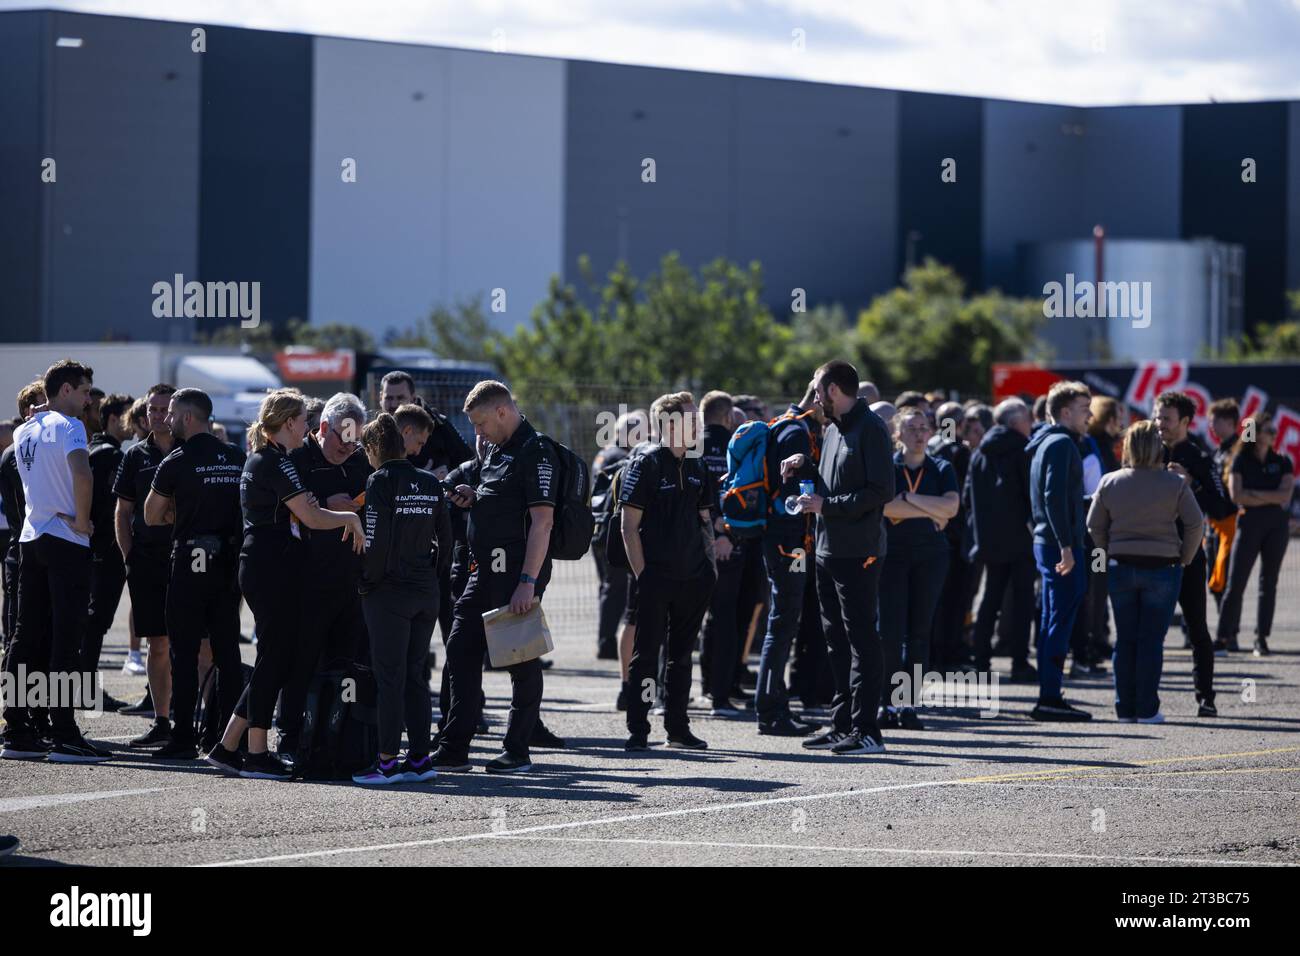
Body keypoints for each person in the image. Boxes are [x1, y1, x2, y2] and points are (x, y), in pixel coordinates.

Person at [203, 389, 363, 778]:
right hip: (268, 564)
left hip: (265, 562)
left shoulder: (268, 458)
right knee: (274, 657)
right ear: (289, 423)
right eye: (304, 423)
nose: (307, 429)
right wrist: (349, 519)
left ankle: (230, 746)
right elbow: (309, 516)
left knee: (273, 657)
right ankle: (254, 753)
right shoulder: (275, 462)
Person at [433, 381, 558, 774]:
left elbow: (543, 522)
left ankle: (517, 749)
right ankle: (454, 748)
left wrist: (527, 582)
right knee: (459, 650)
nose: (478, 432)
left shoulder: (536, 451)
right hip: (482, 571)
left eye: (481, 422)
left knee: (520, 660)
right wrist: (475, 495)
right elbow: (500, 502)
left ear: (502, 411)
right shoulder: (497, 451)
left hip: (515, 575)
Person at [784, 360, 894, 755]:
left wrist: (826, 505)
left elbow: (880, 491)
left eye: (816, 390)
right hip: (827, 549)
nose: (812, 399)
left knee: (862, 639)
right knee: (836, 641)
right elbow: (837, 479)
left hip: (859, 551)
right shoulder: (833, 429)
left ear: (833, 390)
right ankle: (842, 723)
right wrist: (805, 464)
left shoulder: (872, 429)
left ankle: (868, 730)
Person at [1, 360, 107, 762]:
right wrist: (83, 521)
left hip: (31, 538)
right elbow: (83, 475)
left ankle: (17, 728)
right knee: (66, 634)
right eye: (83, 392)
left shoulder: (25, 428)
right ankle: (63, 732)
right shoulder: (71, 427)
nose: (88, 399)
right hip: (65, 538)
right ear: (65, 390)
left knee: (24, 634)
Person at [143, 388, 248, 761]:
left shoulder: (176, 460)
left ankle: (184, 736)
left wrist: (180, 513)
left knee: (183, 653)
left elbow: (150, 515)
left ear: (188, 418)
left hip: (190, 562)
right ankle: (225, 737)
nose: (167, 420)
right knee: (227, 653)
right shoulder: (237, 457)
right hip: (226, 564)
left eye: (172, 413)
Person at [352, 413, 451, 785]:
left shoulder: (380, 481)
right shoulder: (428, 481)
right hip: (426, 592)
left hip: (389, 593)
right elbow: (447, 540)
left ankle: (387, 762)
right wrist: (432, 578)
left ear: (375, 448)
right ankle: (421, 759)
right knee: (414, 677)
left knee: (389, 677)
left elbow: (374, 540)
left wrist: (366, 582)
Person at [1087, 420, 1203, 723]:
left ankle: (1124, 707)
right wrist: (1185, 557)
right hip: (1163, 566)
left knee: (1125, 639)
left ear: (1127, 446)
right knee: (1151, 640)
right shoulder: (1174, 484)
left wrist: (1106, 550)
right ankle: (1147, 708)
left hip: (1121, 565)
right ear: (1157, 448)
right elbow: (1195, 524)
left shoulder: (1111, 481)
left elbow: (1093, 525)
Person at [619, 391, 716, 751]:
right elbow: (628, 527)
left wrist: (709, 570)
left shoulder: (697, 464)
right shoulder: (645, 463)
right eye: (692, 419)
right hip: (655, 577)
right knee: (646, 655)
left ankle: (678, 728)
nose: (699, 425)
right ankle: (638, 728)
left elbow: (706, 519)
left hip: (693, 577)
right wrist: (645, 576)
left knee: (681, 656)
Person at [279, 392, 371, 757]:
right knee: (300, 665)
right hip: (306, 583)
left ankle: (341, 739)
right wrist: (325, 502)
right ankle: (290, 737)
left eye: (354, 444)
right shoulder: (296, 459)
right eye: (340, 441)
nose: (346, 450)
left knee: (346, 665)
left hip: (350, 584)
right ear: (322, 428)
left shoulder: (362, 462)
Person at [1155, 390, 1235, 715]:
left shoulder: (1200, 458)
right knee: (1151, 630)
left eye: (1166, 419)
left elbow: (1223, 506)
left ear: (1185, 422)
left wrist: (1192, 484)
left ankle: (1206, 697)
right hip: (1152, 554)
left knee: (1198, 628)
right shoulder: (1145, 452)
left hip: (1188, 554)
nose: (1160, 424)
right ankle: (1144, 699)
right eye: (1157, 416)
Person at [880, 407, 958, 728]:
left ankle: (909, 703)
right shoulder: (888, 466)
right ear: (897, 434)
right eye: (911, 428)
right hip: (893, 556)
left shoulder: (941, 467)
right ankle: (886, 703)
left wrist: (909, 499)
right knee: (890, 632)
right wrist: (931, 510)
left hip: (931, 556)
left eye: (924, 428)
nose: (919, 434)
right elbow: (885, 506)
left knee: (919, 633)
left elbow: (951, 507)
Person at [754, 385, 824, 736]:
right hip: (789, 543)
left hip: (787, 540)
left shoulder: (788, 424)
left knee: (783, 621)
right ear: (818, 398)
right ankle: (770, 711)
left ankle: (774, 706)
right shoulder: (796, 432)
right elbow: (793, 497)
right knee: (783, 622)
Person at [1025, 380, 1093, 721]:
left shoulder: (1043, 442)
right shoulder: (1062, 444)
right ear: (1064, 412)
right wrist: (1067, 546)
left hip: (1047, 541)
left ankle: (1049, 694)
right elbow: (1052, 497)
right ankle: (1050, 697)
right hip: (1059, 544)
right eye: (1084, 409)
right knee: (1059, 620)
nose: (1090, 415)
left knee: (1054, 619)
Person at [113, 384, 177, 746]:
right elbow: (122, 511)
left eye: (163, 408)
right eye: (151, 409)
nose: (156, 415)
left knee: (197, 646)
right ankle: (162, 720)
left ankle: (194, 719)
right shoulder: (135, 455)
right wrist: (129, 556)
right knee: (157, 644)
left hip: (187, 561)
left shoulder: (190, 451)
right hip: (147, 562)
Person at [966, 398, 1037, 681]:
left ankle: (980, 659)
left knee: (989, 600)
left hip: (987, 537)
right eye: (1027, 418)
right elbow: (1030, 495)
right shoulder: (1023, 449)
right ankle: (1019, 661)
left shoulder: (979, 452)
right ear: (1015, 421)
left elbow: (966, 497)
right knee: (1022, 601)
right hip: (1019, 537)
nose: (1030, 423)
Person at [1217, 411, 1294, 657]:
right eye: (1268, 430)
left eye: (1274, 431)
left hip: (1276, 526)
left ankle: (1261, 638)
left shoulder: (1282, 461)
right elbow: (1236, 496)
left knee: (1268, 582)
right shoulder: (1240, 459)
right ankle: (1223, 637)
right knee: (1236, 582)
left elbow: (1285, 496)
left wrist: (1254, 494)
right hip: (1249, 524)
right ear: (1256, 432)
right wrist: (1266, 497)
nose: (1272, 435)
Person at [696, 391, 746, 717]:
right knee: (724, 619)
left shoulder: (689, 446)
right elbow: (741, 494)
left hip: (692, 546)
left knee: (681, 619)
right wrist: (726, 534)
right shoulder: (737, 445)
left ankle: (668, 695)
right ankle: (720, 695)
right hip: (729, 544)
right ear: (728, 417)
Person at [82, 393, 133, 711]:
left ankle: (81, 688)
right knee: (95, 623)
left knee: (89, 623)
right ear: (113, 418)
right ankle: (85, 690)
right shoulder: (110, 457)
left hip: (89, 548)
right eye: (127, 416)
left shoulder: (90, 449)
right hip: (105, 549)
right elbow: (110, 508)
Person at [591, 409, 643, 661]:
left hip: (599, 529)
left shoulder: (606, 454)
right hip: (609, 531)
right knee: (615, 589)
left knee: (609, 588)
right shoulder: (620, 457)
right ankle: (607, 643)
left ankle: (607, 640)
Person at [1, 382, 45, 654]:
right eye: (41, 404)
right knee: (20, 631)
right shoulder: (17, 452)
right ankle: (15, 695)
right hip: (24, 548)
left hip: (40, 548)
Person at [1206, 398, 1241, 610]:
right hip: (1213, 524)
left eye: (1215, 421)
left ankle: (1229, 632)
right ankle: (1225, 629)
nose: (1211, 425)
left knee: (1227, 580)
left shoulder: (1240, 451)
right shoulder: (1217, 452)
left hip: (1231, 523)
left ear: (1229, 422)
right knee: (1215, 581)